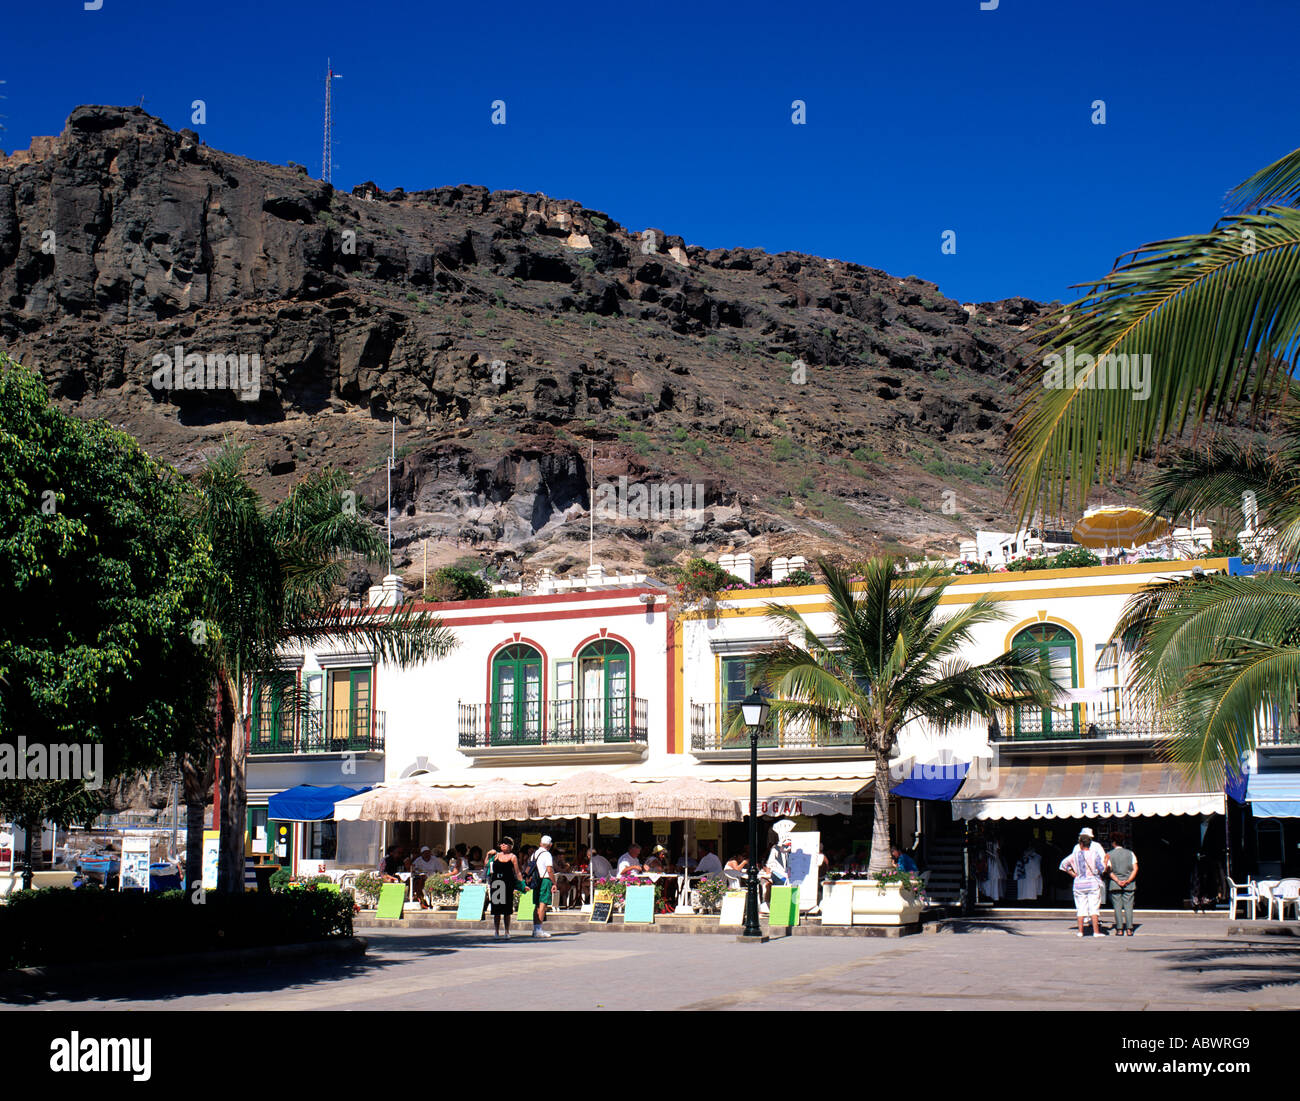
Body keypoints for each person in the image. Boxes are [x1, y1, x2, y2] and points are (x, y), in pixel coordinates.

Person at [1060, 827, 1108, 937]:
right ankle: (1096, 932)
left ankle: (1080, 931)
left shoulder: (1075, 854)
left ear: (1081, 843)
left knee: (1080, 908)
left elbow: (1063, 864)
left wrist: (1073, 874)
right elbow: (1102, 869)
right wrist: (1105, 861)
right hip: (1092, 883)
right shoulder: (1094, 854)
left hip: (1079, 884)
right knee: (1094, 908)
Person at [487, 836, 523, 939]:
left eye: (505, 843)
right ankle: (496, 931)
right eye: (501, 843)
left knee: (507, 909)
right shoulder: (496, 856)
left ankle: (507, 931)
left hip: (507, 884)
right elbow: (487, 865)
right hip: (496, 883)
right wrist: (488, 855)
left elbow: (517, 872)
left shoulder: (512, 857)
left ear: (510, 846)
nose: (503, 845)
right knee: (496, 910)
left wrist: (522, 885)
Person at [1108, 837, 1138, 936]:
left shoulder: (1109, 854)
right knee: (1128, 906)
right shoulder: (1130, 853)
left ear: (1113, 843)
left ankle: (1119, 929)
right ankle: (1129, 929)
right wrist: (1128, 880)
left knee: (1117, 907)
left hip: (1115, 884)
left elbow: (1109, 870)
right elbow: (1135, 868)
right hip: (1129, 884)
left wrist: (1117, 880)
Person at [531, 835, 555, 938]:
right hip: (545, 879)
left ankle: (535, 928)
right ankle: (539, 930)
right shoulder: (547, 854)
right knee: (543, 905)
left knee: (536, 904)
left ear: (540, 843)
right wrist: (554, 882)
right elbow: (549, 869)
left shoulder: (534, 854)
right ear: (550, 845)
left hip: (535, 880)